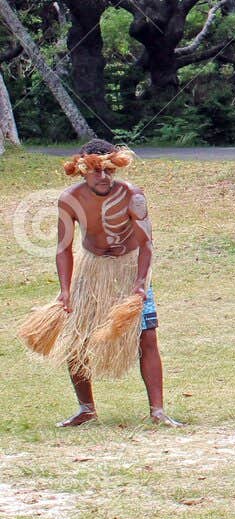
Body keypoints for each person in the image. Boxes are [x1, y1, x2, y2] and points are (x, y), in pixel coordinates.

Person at [51, 139, 178, 427]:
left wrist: (140, 284)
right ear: (83, 170)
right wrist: (65, 290)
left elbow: (147, 245)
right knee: (77, 340)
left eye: (109, 170)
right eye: (96, 171)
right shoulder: (70, 199)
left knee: (147, 337)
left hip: (130, 267)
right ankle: (86, 408)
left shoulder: (132, 195)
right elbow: (63, 248)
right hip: (92, 270)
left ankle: (157, 411)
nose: (104, 177)